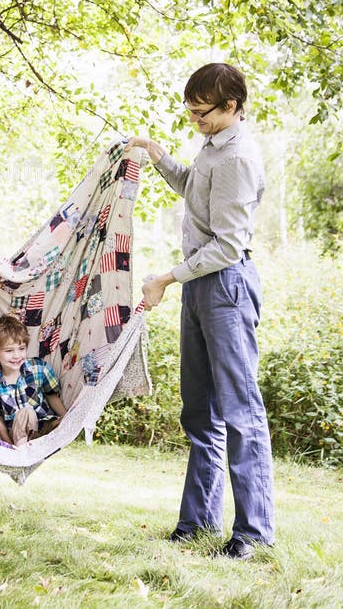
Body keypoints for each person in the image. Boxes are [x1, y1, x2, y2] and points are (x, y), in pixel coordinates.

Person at [128, 62, 275, 560]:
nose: (194, 117)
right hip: (200, 287)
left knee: (239, 412)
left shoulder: (238, 157)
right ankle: (196, 523)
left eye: (202, 111)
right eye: (189, 109)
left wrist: (165, 279)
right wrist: (158, 157)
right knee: (200, 412)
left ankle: (253, 535)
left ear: (231, 106)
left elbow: (229, 246)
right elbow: (194, 189)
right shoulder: (213, 146)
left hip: (225, 287)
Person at [0, 316, 67, 446]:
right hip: (17, 432)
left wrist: (67, 418)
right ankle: (22, 448)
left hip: (43, 426)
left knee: (61, 423)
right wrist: (9, 444)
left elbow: (52, 396)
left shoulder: (38, 368)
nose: (17, 355)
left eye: (21, 348)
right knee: (26, 412)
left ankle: (36, 441)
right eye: (9, 350)